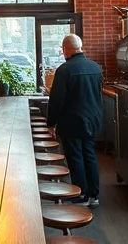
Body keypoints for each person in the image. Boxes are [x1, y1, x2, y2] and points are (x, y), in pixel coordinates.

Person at [46, 34, 103, 208]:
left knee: (75, 157)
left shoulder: (65, 70)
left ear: (65, 49)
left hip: (72, 121)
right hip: (93, 120)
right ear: (81, 47)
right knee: (90, 155)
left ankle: (80, 194)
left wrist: (51, 123)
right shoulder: (96, 68)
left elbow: (57, 99)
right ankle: (93, 194)